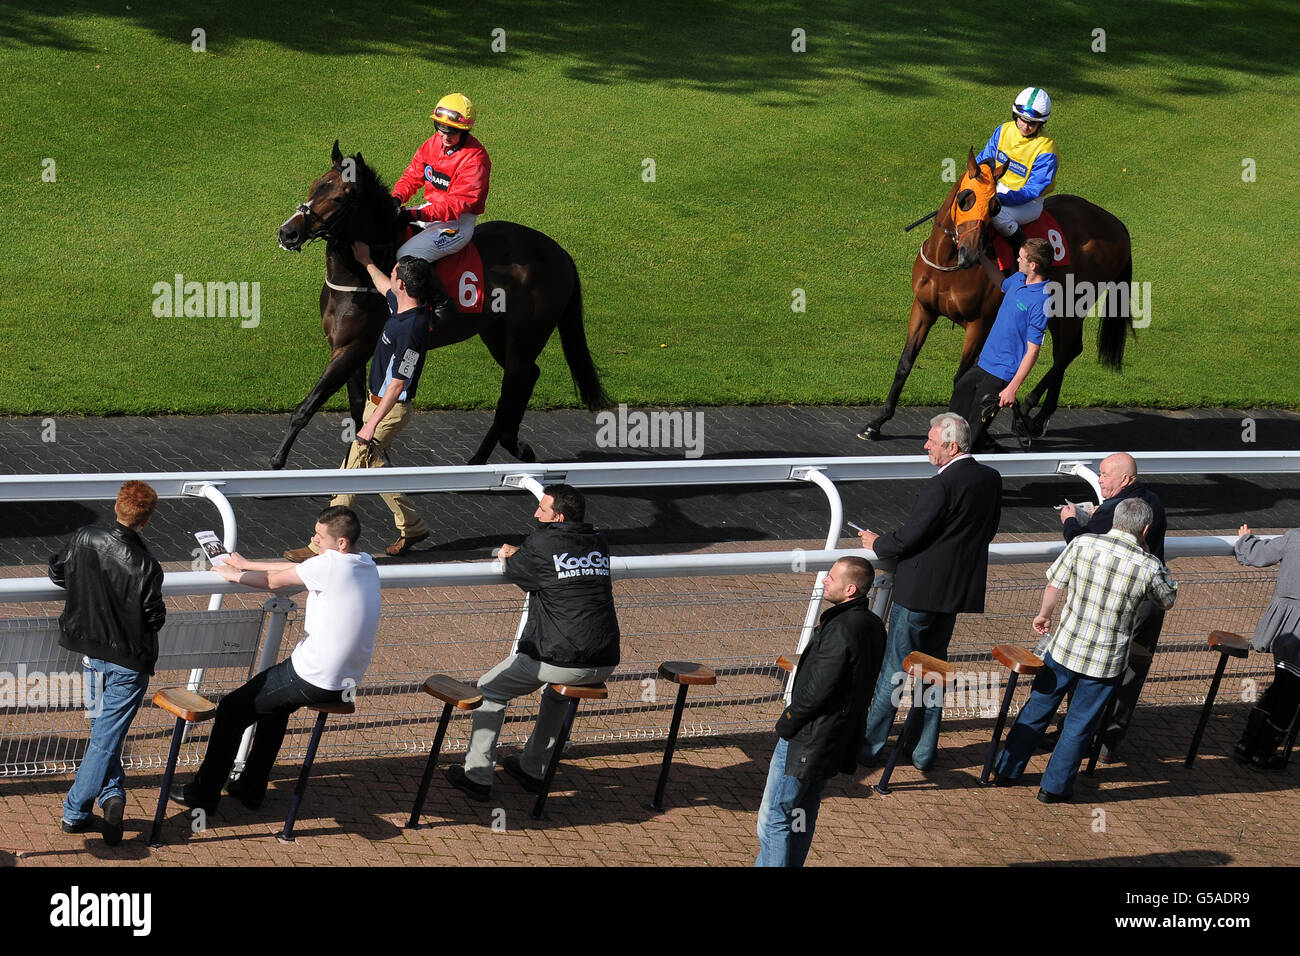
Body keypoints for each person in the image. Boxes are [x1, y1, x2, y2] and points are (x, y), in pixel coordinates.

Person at [173, 506, 380, 813]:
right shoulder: (365, 562)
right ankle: (251, 787)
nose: (314, 539)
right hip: (344, 680)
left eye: (320, 536)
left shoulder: (331, 564)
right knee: (274, 709)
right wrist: (246, 562)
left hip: (314, 675)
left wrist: (235, 575)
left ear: (341, 544)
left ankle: (204, 793)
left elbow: (274, 582)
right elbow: (299, 569)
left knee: (231, 710)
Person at [993, 498, 1178, 801]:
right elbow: (1167, 600)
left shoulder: (1083, 545)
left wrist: (1044, 614)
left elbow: (1054, 584)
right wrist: (1151, 557)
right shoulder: (1149, 565)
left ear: (1114, 520)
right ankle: (1053, 789)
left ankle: (1006, 770)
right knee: (1079, 725)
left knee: (1037, 709)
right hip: (1106, 660)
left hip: (1065, 646)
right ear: (1146, 528)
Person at [445, 484, 620, 801]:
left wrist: (509, 555)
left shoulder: (543, 539)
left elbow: (521, 570)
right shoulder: (598, 541)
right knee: (555, 697)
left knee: (489, 688)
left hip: (562, 657)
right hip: (604, 658)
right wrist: (526, 555)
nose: (535, 513)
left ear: (559, 517)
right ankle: (533, 768)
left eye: (542, 509)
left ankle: (478, 775)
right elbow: (548, 567)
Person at [856, 412, 1002, 771]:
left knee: (896, 669)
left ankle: (868, 748)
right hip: (954, 595)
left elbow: (910, 536)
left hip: (918, 594)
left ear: (952, 447)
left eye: (931, 441)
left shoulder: (941, 484)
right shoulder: (990, 478)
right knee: (933, 671)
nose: (925, 446)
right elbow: (987, 531)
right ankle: (922, 750)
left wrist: (877, 542)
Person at [285, 247, 434, 561]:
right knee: (375, 470)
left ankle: (318, 547)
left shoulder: (413, 329)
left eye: (394, 273)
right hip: (377, 406)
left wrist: (370, 424)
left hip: (388, 410)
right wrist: (366, 259)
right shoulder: (402, 305)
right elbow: (383, 285)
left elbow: (397, 384)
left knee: (349, 475)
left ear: (403, 286)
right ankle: (412, 526)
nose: (389, 275)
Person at [50, 480, 165, 846]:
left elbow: (57, 571)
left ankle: (111, 797)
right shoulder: (148, 565)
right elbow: (154, 617)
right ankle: (76, 810)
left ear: (116, 507)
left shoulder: (85, 538)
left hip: (91, 655)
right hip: (128, 664)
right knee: (105, 739)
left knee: (103, 735)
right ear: (146, 520)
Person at [756, 557, 885, 867]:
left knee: (774, 816)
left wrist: (787, 722)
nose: (825, 580)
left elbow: (816, 691)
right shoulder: (872, 625)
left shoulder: (841, 628)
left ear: (850, 588)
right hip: (835, 738)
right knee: (802, 813)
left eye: (831, 577)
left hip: (808, 738)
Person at [1058, 452, 1167, 761]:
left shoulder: (1116, 510)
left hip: (1122, 606)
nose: (1100, 479)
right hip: (1149, 601)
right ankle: (1105, 743)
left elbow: (1081, 544)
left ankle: (1076, 737)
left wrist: (1069, 522)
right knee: (1130, 675)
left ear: (1126, 480)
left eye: (1105, 475)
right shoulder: (1150, 501)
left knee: (1092, 669)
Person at [392, 92, 491, 322]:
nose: (444, 135)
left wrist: (414, 213)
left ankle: (441, 306)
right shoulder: (432, 144)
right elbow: (412, 176)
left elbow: (454, 205)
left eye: (452, 131)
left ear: (465, 131)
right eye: (440, 127)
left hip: (456, 224)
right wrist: (396, 199)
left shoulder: (475, 160)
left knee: (406, 253)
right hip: (429, 212)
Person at [948, 237, 1052, 452]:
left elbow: (1033, 350)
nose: (1017, 259)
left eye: (1021, 257)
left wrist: (1012, 388)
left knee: (972, 433)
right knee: (956, 410)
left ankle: (966, 469)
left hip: (1000, 375)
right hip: (983, 363)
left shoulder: (1041, 301)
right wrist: (982, 259)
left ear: (1033, 265)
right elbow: (1001, 283)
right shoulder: (1018, 279)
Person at [1232, 524, 1300, 770]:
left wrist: (1245, 540)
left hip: (1284, 629)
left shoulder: (1294, 538)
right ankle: (1263, 752)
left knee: (1281, 686)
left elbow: (1257, 555)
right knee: (1290, 694)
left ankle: (1246, 744)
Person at [976, 86, 1058, 256]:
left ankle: (1025, 256)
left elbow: (1032, 190)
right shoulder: (1004, 130)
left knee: (996, 216)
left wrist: (1002, 198)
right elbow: (984, 160)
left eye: (1032, 123)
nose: (1026, 126)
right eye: (1022, 119)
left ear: (1041, 123)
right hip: (996, 189)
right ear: (1015, 115)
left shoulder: (1046, 149)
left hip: (1028, 203)